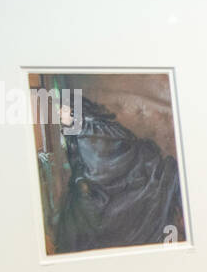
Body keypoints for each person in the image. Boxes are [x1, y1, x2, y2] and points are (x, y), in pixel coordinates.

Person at [52, 97, 185, 253]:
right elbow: (78, 163)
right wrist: (81, 179)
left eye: (64, 110)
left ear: (76, 111)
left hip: (135, 172)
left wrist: (82, 129)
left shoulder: (96, 128)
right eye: (59, 110)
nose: (60, 113)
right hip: (102, 186)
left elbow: (109, 158)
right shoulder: (75, 133)